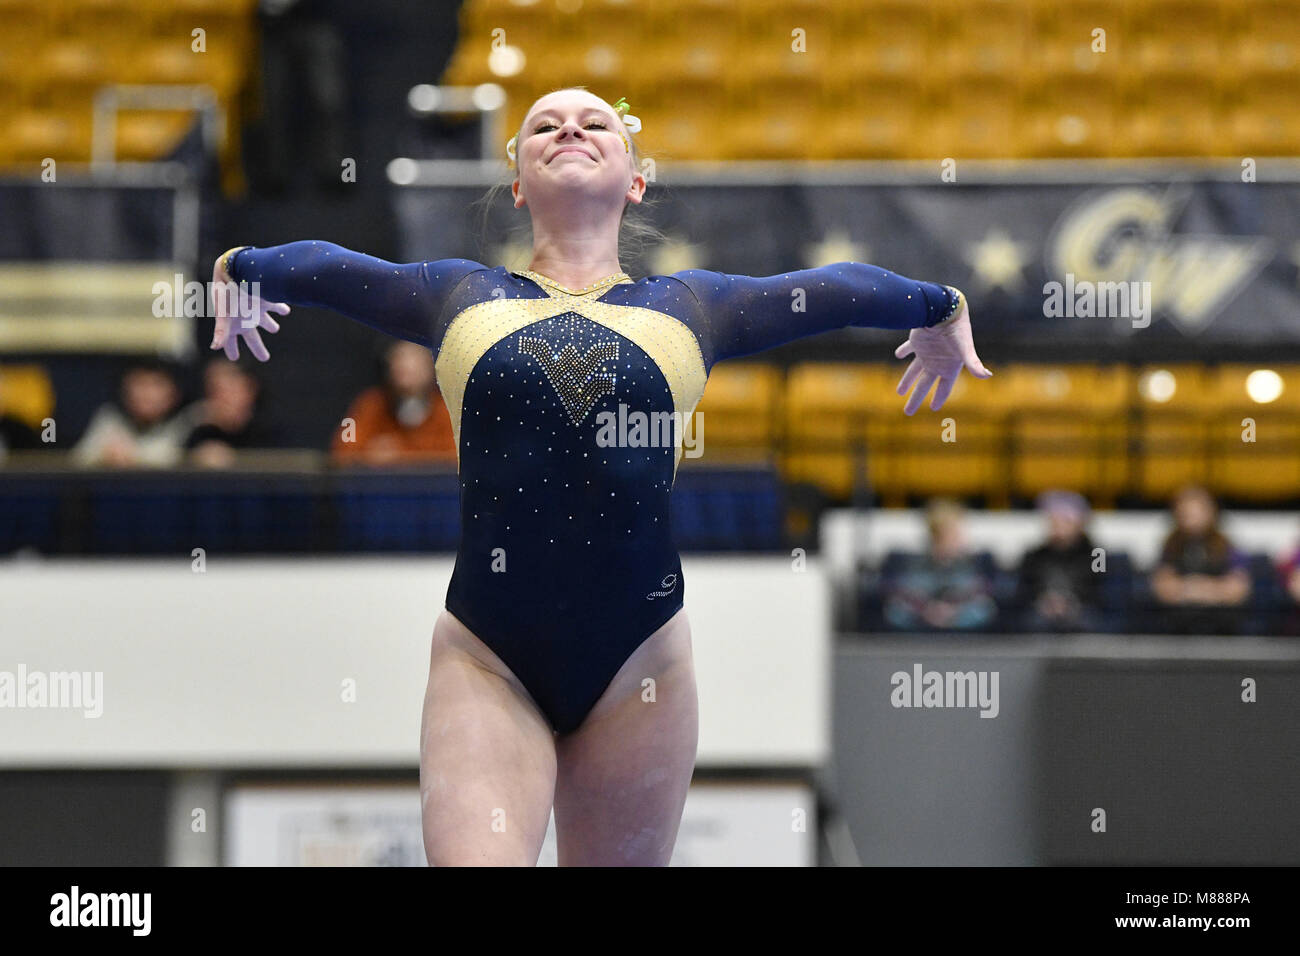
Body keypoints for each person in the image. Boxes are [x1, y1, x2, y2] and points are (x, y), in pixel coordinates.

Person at [208, 87, 992, 865]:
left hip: (639, 669)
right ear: (518, 182)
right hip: (488, 659)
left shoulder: (694, 306)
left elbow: (829, 293)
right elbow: (331, 270)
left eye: (595, 124)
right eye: (544, 124)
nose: (570, 129)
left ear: (636, 178)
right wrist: (239, 264)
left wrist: (938, 305)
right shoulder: (457, 294)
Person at [331, 340, 456, 465]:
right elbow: (342, 449)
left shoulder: (449, 411)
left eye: (415, 366)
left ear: (431, 369)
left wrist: (401, 454)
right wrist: (368, 453)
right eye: (400, 365)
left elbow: (459, 458)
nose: (406, 375)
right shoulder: (369, 405)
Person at [882, 497, 997, 632]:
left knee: (983, 609)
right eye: (955, 535)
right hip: (920, 630)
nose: (962, 539)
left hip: (963, 634)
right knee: (896, 611)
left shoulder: (971, 566)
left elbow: (980, 602)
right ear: (938, 536)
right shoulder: (915, 566)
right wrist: (928, 611)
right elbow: (901, 603)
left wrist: (953, 612)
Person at [1150, 484, 1251, 635]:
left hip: (1221, 627)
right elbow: (1163, 589)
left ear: (1210, 512)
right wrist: (1211, 589)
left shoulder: (1226, 546)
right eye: (1185, 513)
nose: (1190, 519)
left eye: (1195, 512)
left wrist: (1196, 589)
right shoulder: (1171, 547)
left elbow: (1237, 591)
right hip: (1178, 628)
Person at [72, 359, 200, 468]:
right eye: (140, 383)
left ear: (174, 393)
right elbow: (78, 460)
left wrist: (133, 456)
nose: (146, 394)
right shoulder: (110, 418)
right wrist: (103, 456)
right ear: (124, 390)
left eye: (156, 384)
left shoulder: (191, 420)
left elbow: (172, 456)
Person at [1014, 490, 1102, 633]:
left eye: (1064, 520)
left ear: (1080, 523)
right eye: (1053, 520)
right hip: (1041, 613)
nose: (1057, 525)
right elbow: (1023, 590)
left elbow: (1102, 590)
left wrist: (1072, 604)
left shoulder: (1099, 555)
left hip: (1083, 612)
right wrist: (1045, 602)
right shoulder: (1033, 555)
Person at [185, 357, 281, 468]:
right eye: (214, 389)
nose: (221, 397)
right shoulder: (202, 429)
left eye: (228, 388)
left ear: (250, 388)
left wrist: (235, 460)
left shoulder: (271, 430)